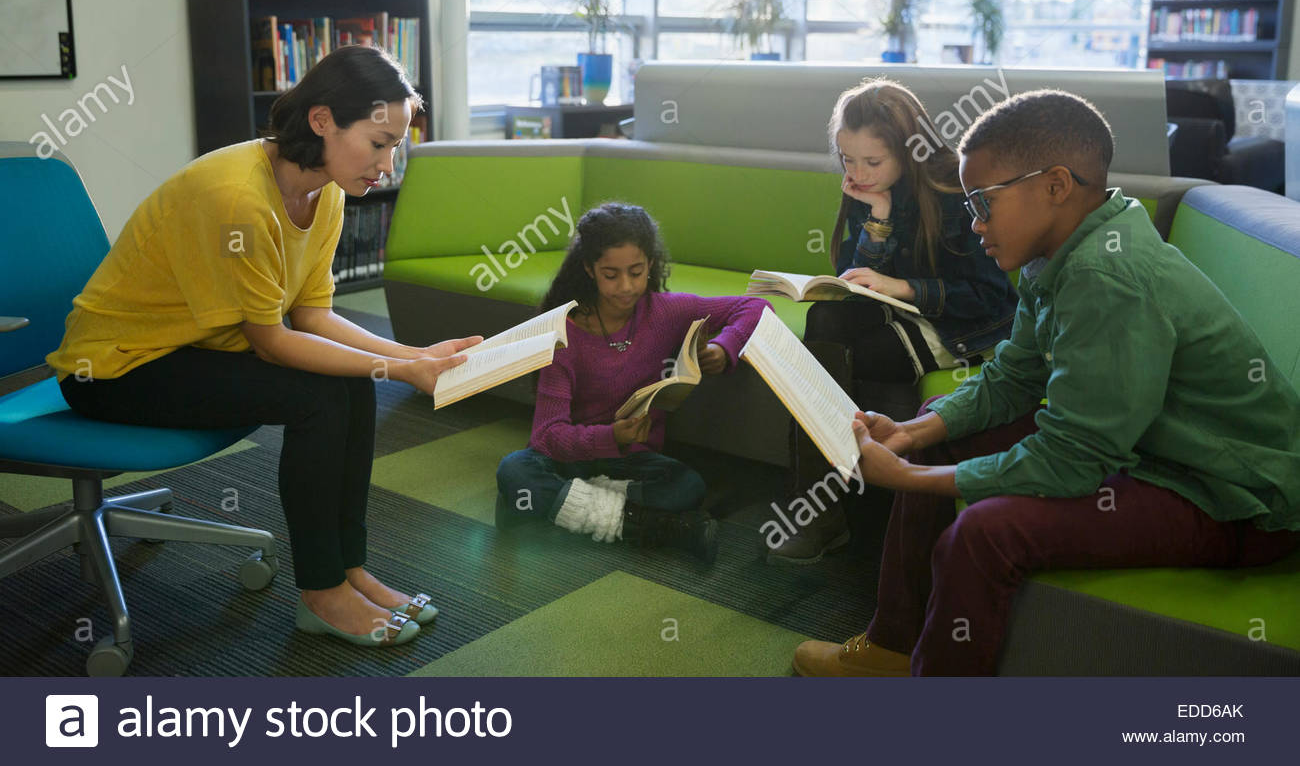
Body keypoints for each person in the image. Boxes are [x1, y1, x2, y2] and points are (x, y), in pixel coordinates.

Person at [792, 89, 1300, 676]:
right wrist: (913, 433)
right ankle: (891, 647)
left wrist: (911, 477)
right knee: (939, 422)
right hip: (1146, 450)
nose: (974, 222)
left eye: (983, 203)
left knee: (983, 533)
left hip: (1229, 497)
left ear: (1056, 185)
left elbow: (1074, 458)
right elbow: (1012, 376)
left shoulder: (1108, 275)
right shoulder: (1058, 252)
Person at [48, 45, 480, 648]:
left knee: (351, 381)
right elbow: (276, 344)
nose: (388, 163)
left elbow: (311, 313)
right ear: (323, 121)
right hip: (118, 365)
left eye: (395, 146)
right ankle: (322, 594)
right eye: (379, 142)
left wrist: (413, 356)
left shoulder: (323, 188)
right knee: (319, 400)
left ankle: (349, 569)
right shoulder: (238, 201)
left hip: (198, 348)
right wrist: (402, 371)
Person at [768, 78, 1018, 565]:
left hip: (962, 326)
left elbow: (991, 295)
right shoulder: (868, 187)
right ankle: (823, 508)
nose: (857, 173)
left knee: (838, 353)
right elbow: (852, 281)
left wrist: (907, 288)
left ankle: (824, 510)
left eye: (872, 162)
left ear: (910, 152)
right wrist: (877, 217)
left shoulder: (953, 188)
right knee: (824, 322)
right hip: (896, 317)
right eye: (847, 159)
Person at [494, 203, 770, 564]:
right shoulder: (563, 334)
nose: (626, 286)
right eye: (611, 275)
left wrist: (724, 346)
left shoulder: (666, 311)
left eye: (636, 272)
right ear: (589, 269)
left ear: (650, 265)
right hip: (571, 459)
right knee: (515, 469)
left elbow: (757, 307)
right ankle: (658, 527)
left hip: (635, 462)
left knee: (687, 487)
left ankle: (554, 505)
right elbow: (546, 437)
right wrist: (612, 437)